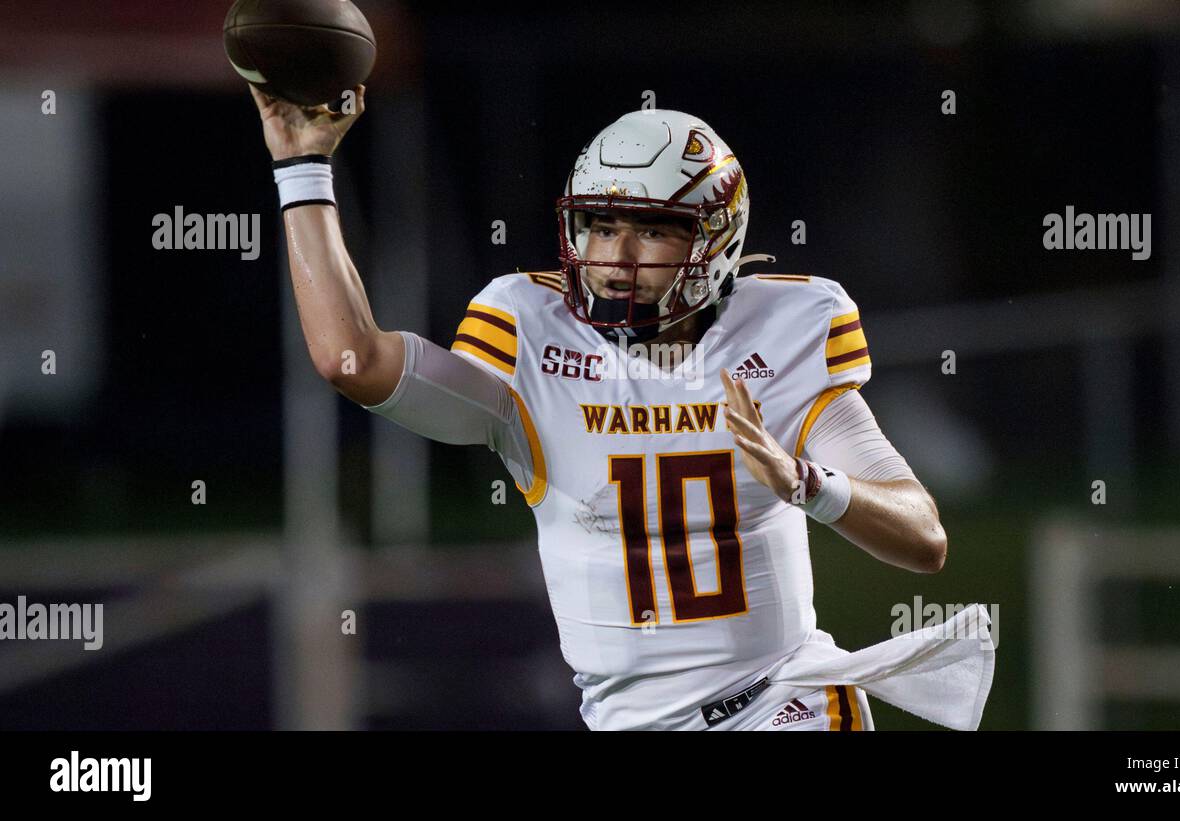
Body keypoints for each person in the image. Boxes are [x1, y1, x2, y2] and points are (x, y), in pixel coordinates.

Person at [249, 86, 990, 731]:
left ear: (716, 238)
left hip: (781, 704)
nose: (617, 255)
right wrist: (301, 168)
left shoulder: (786, 333)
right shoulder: (530, 338)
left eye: (654, 229)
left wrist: (804, 481)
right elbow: (349, 359)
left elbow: (924, 537)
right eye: (602, 225)